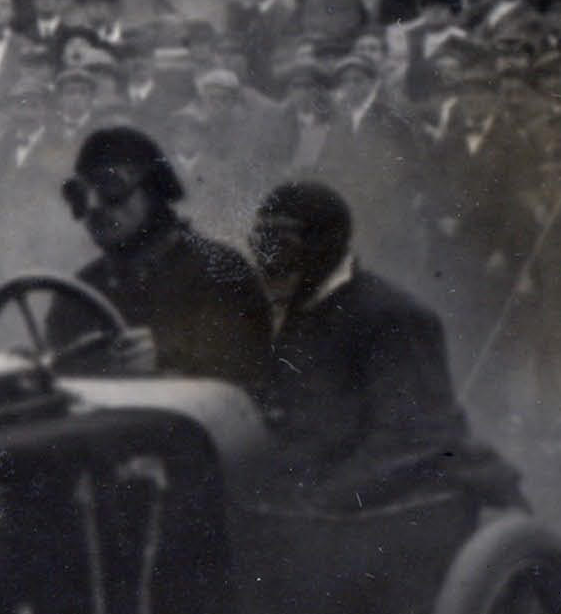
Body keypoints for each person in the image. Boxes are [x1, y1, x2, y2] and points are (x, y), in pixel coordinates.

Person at [245, 180, 519, 508]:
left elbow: (411, 440)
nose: (268, 264)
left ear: (323, 248)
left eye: (283, 249)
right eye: (261, 246)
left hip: (387, 502)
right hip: (303, 493)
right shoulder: (283, 310)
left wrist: (315, 498)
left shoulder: (391, 317)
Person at [54, 124, 269, 392]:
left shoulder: (219, 269)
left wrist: (165, 359)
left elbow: (246, 378)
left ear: (153, 192)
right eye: (79, 194)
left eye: (111, 188)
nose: (93, 206)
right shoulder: (79, 291)